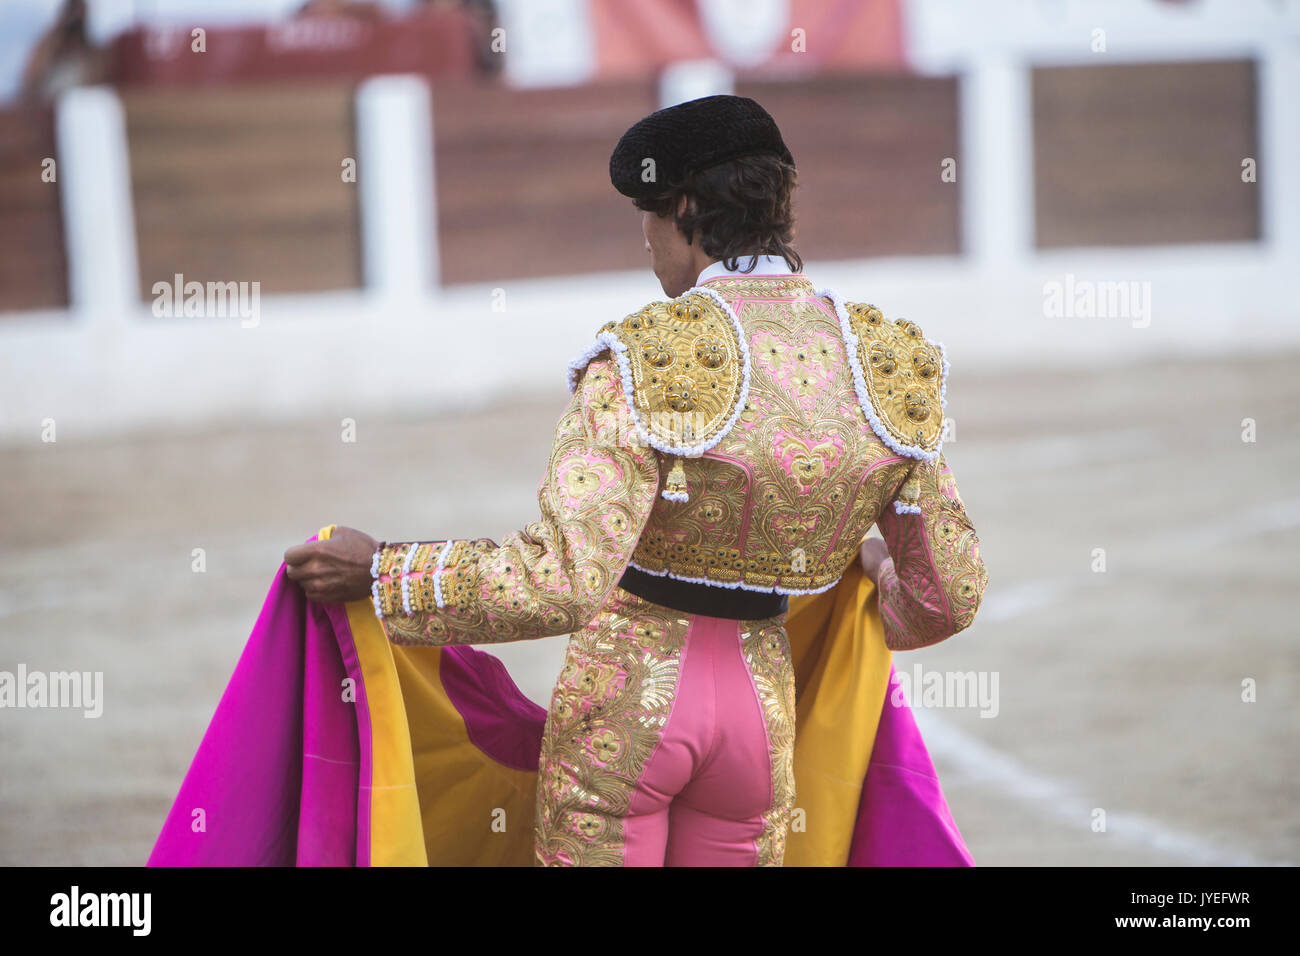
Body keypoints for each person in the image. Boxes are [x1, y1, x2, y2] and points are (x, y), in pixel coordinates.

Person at [283, 94, 987, 866]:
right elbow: (945, 596)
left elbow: (560, 581)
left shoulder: (644, 357)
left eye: (648, 214)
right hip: (761, 715)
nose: (646, 241)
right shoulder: (884, 364)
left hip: (629, 708)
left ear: (683, 209)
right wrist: (877, 568)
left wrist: (383, 573)